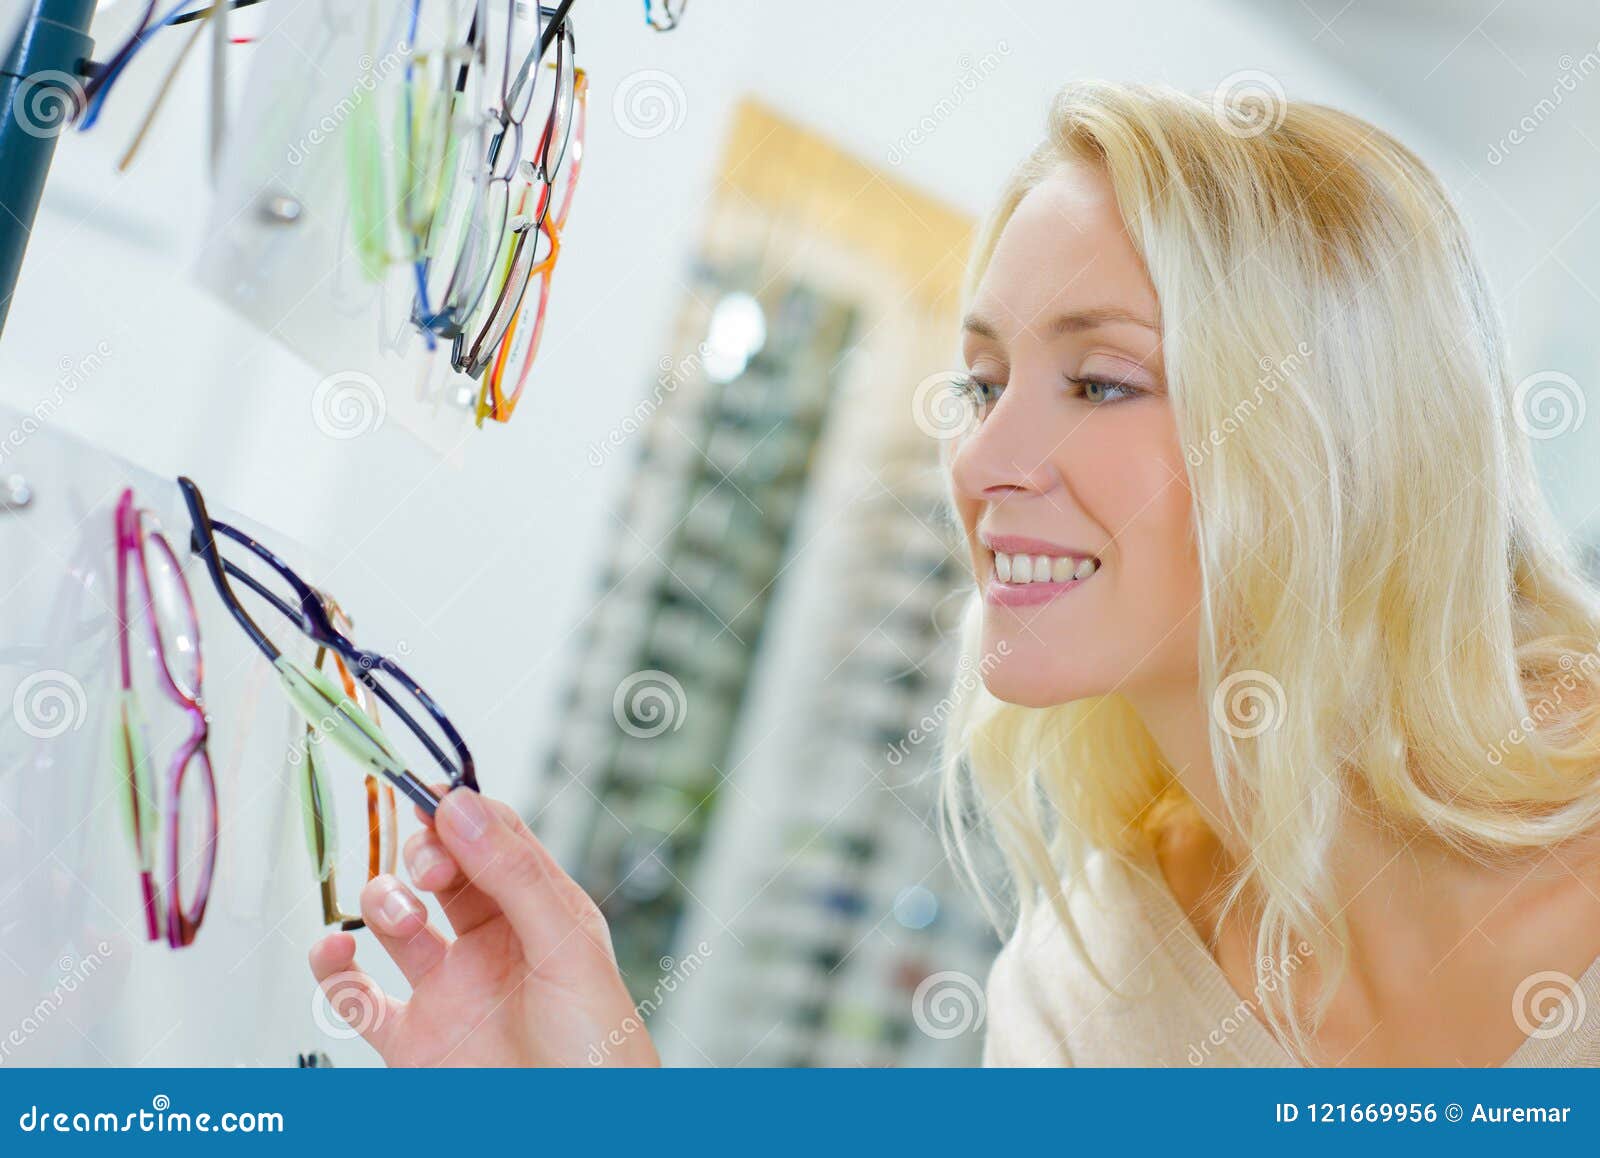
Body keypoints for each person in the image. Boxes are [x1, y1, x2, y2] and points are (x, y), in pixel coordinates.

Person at [311, 81, 1600, 1067]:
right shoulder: (1089, 986)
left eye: (1099, 381)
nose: (983, 456)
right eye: (983, 383)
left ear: (1341, 439)